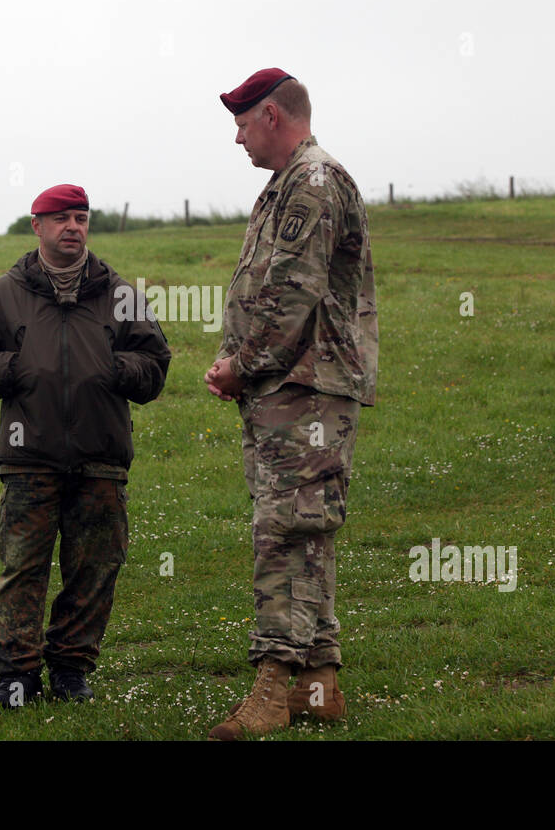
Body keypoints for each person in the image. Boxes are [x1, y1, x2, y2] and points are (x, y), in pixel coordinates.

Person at [0, 183, 171, 712]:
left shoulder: (121, 294)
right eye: (62, 218)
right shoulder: (0, 295)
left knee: (94, 567)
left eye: (82, 217)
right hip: (29, 458)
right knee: (24, 568)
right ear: (38, 226)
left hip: (102, 456)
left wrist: (115, 368)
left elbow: (156, 364)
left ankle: (71, 669)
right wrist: (16, 367)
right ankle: (17, 676)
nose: (74, 226)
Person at [204, 68, 378, 740]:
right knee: (306, 528)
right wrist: (239, 366)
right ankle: (319, 683)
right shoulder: (289, 185)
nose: (239, 139)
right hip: (291, 384)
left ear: (273, 117)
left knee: (286, 531)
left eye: (244, 124)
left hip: (305, 385)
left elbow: (291, 292)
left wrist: (241, 366)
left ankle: (274, 687)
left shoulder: (312, 182)